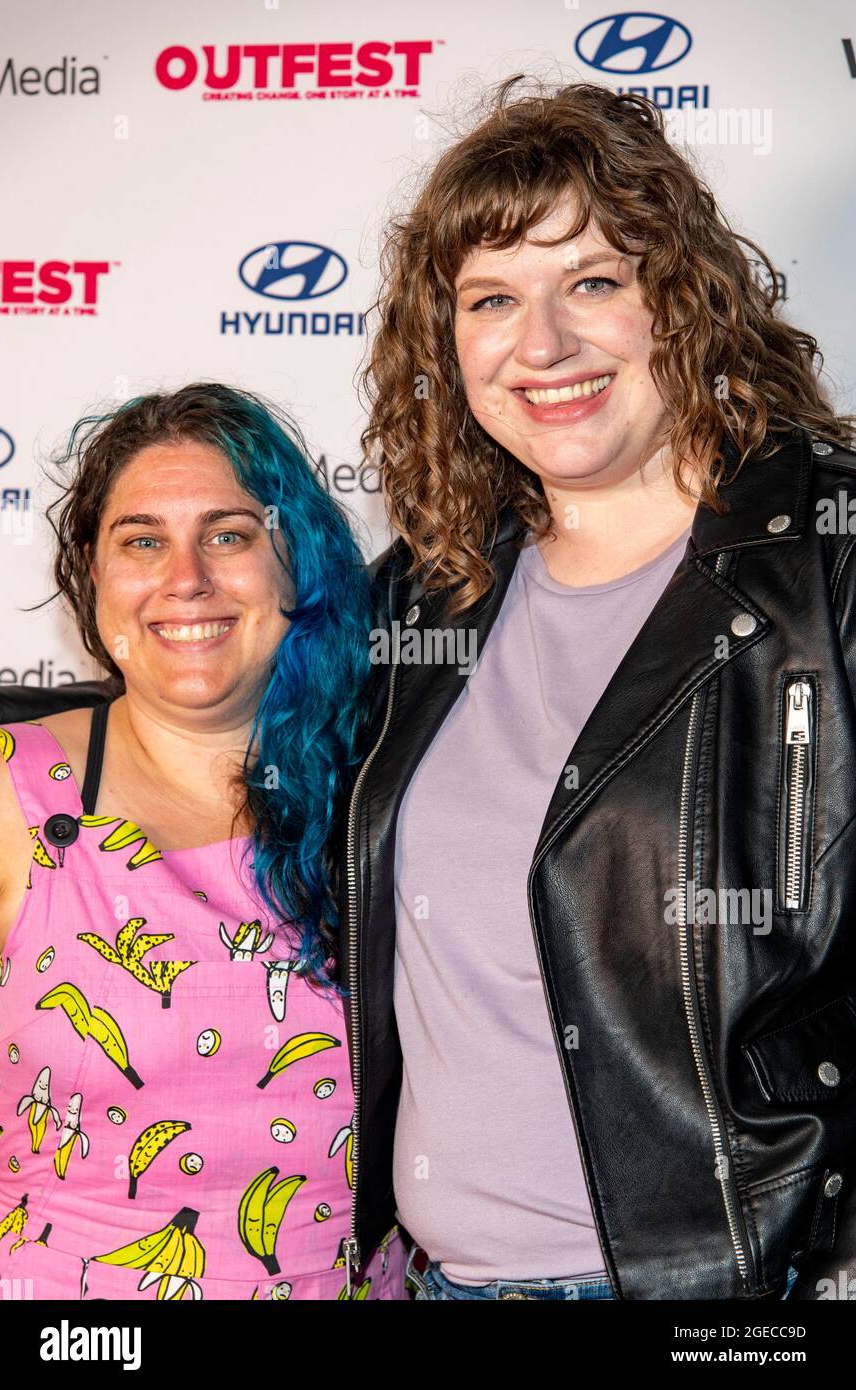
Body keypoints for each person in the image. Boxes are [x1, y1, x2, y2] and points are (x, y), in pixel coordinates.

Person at [340, 77, 856, 1301]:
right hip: (438, 1283)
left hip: (724, 1296)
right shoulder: (423, 594)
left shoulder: (827, 556)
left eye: (590, 282)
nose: (542, 345)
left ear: (678, 298)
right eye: (489, 299)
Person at [0, 383, 408, 1300]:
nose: (187, 578)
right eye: (142, 541)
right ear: (91, 579)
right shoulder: (5, 793)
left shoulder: (392, 796)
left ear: (295, 564)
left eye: (229, 535)